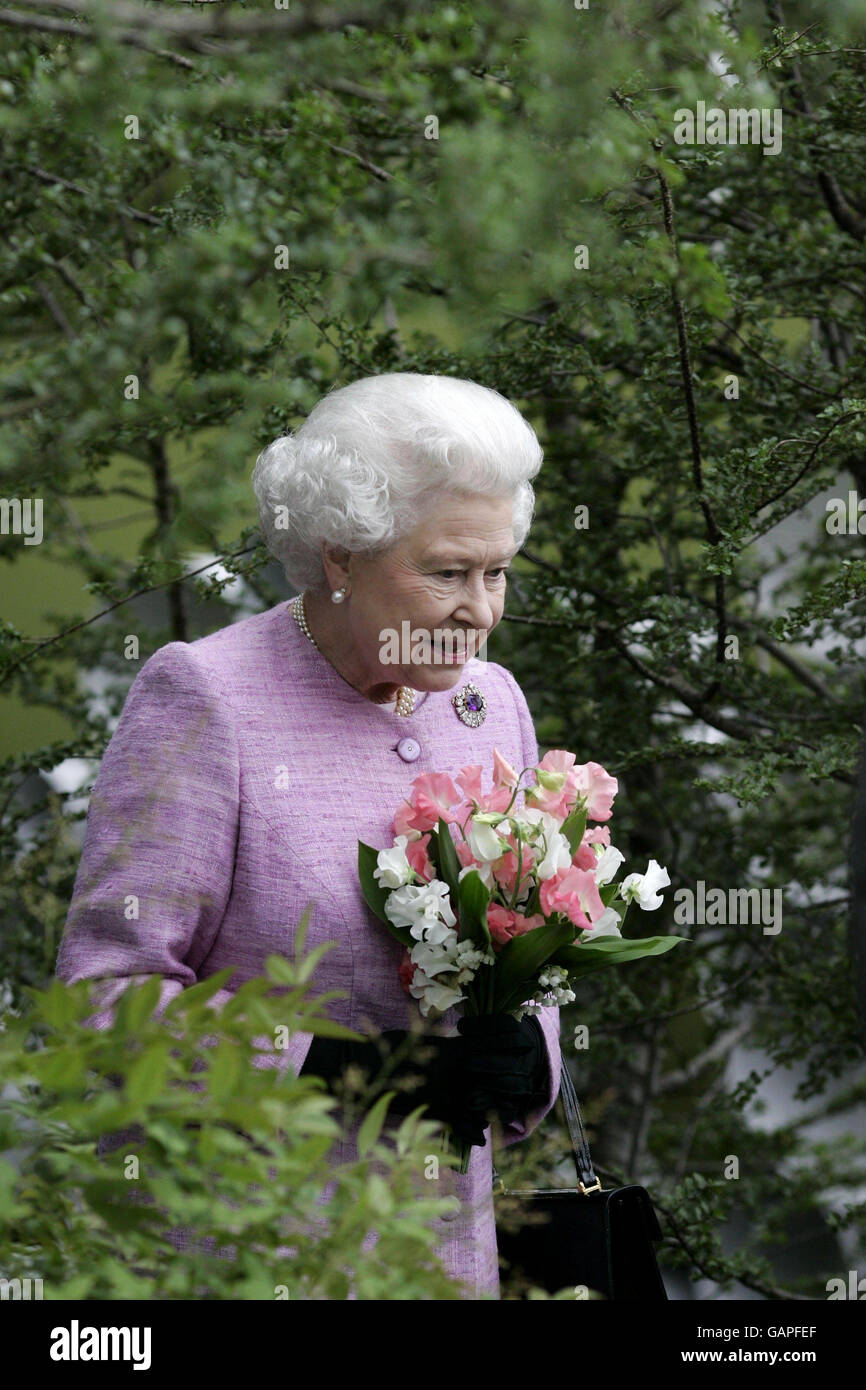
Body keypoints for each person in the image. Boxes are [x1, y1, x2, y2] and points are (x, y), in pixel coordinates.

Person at [56, 371, 561, 1299]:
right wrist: (327, 1070)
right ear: (339, 556)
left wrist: (531, 1054)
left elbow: (529, 939)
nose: (482, 612)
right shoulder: (207, 698)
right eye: (446, 572)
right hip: (251, 1252)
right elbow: (104, 1002)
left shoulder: (492, 703)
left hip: (443, 1256)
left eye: (496, 572)